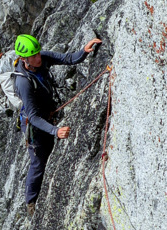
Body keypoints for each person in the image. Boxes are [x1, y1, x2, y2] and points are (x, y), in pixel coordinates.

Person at [14, 33, 102, 216]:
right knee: (38, 162)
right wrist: (55, 131)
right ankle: (30, 202)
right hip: (34, 124)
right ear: (24, 59)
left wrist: (84, 52)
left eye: (38, 54)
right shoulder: (23, 82)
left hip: (47, 114)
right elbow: (34, 116)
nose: (38, 58)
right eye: (34, 56)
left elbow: (68, 58)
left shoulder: (42, 58)